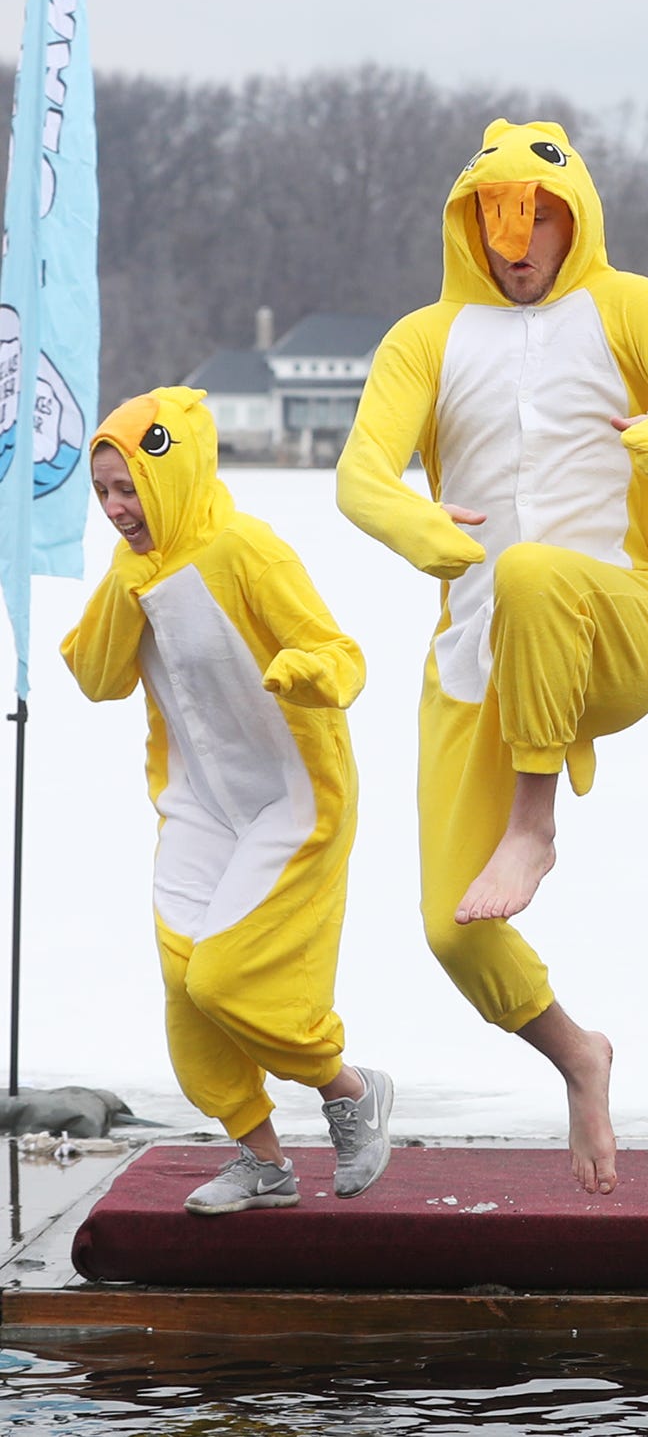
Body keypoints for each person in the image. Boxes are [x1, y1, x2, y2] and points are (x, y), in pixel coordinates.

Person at [337, 119, 648, 1196]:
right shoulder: (424, 339)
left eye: (534, 218)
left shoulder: (628, 307)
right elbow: (359, 474)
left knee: (529, 567)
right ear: (469, 225)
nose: (513, 240)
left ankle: (535, 825)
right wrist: (418, 526)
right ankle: (579, 1053)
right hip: (479, 662)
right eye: (494, 219)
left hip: (625, 622)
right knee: (451, 932)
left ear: (571, 218)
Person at [62, 387, 391, 1215]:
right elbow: (99, 679)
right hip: (199, 806)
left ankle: (348, 1088)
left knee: (227, 978)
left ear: (170, 472)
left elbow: (340, 653)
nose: (116, 508)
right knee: (184, 989)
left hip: (292, 798)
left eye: (129, 486)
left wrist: (308, 672)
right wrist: (126, 579)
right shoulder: (132, 570)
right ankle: (264, 1163)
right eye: (103, 491)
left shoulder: (246, 549)